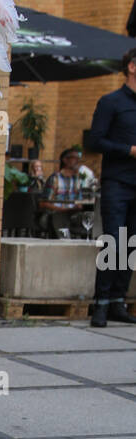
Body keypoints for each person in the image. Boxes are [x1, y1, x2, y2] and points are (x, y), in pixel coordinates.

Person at [88, 49, 136, 326]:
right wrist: (128, 150)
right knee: (114, 242)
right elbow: (95, 142)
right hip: (117, 183)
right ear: (131, 66)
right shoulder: (111, 102)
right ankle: (101, 305)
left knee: (131, 245)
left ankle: (118, 302)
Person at [38, 148, 93, 239]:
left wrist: (78, 207)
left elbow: (79, 202)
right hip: (56, 213)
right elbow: (43, 203)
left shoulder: (76, 180)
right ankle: (63, 242)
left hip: (72, 214)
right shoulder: (55, 179)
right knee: (59, 217)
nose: (77, 161)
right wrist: (62, 209)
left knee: (90, 218)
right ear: (65, 160)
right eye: (74, 158)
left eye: (78, 158)